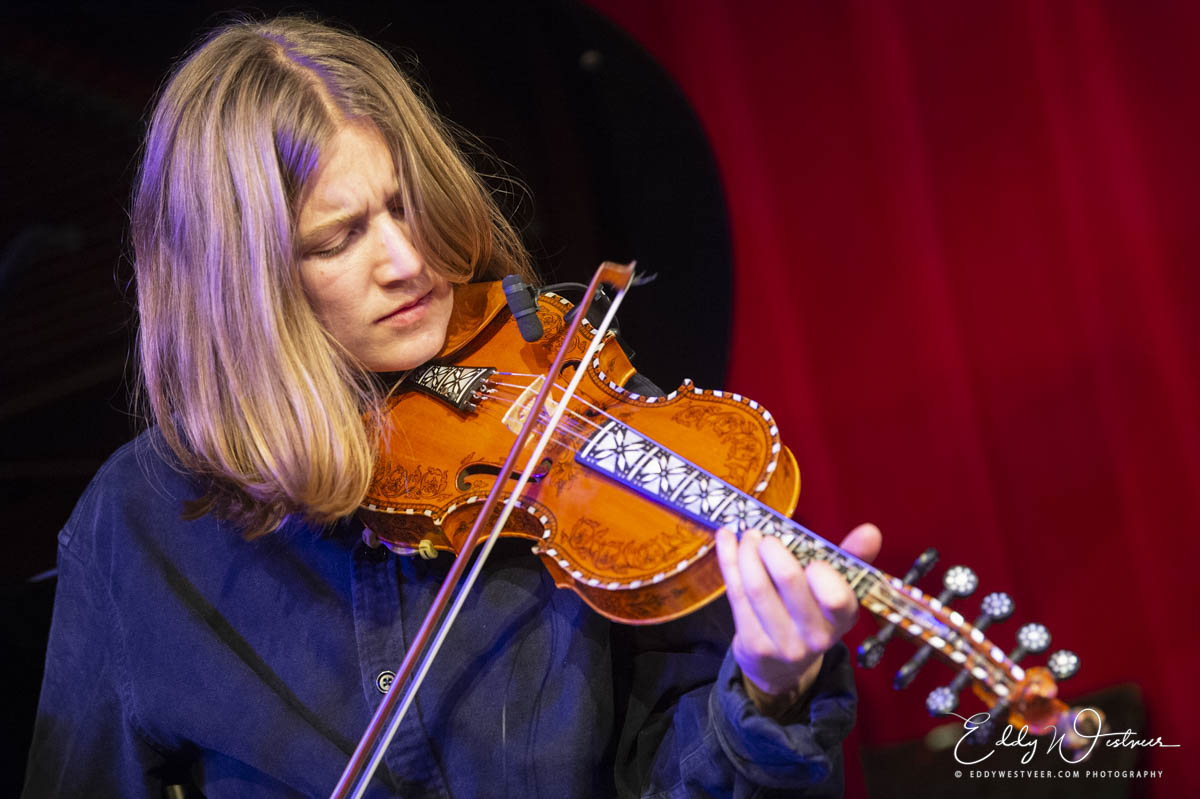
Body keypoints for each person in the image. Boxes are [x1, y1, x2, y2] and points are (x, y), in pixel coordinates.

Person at [22, 16, 881, 798]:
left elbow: (685, 776)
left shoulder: (565, 399)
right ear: (238, 292)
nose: (408, 258)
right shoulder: (136, 532)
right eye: (339, 237)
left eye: (402, 203)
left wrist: (769, 694)